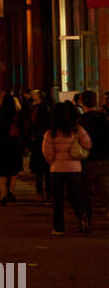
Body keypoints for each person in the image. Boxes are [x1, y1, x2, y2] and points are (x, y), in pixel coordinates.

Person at [42, 101, 91, 235]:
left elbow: (47, 152)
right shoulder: (77, 130)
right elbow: (87, 144)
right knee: (75, 195)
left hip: (57, 169)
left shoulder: (51, 133)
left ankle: (59, 227)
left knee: (58, 199)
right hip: (75, 168)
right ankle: (82, 216)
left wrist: (53, 162)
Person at [79, 90, 109, 223]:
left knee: (86, 191)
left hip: (88, 158)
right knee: (104, 189)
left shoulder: (81, 120)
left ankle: (87, 218)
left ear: (81, 102)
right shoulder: (103, 118)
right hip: (103, 157)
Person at [0, 91, 22, 205]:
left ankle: (3, 194)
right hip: (13, 145)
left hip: (1, 145)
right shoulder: (15, 115)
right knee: (14, 169)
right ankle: (11, 191)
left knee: (2, 171)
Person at [27, 90, 52, 201]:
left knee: (42, 169)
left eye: (34, 95)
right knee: (42, 169)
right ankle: (43, 192)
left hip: (40, 139)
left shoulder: (41, 108)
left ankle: (43, 192)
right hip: (38, 139)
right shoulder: (35, 107)